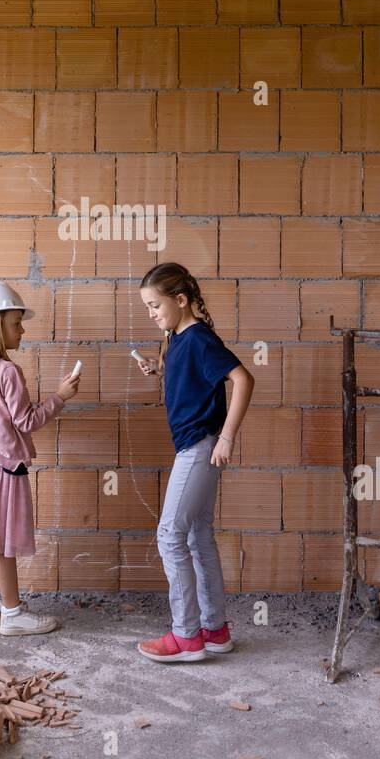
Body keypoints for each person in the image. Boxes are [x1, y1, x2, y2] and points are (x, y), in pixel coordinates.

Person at [134, 263, 254, 663]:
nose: (151, 313)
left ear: (180, 300)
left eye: (155, 305)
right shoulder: (177, 339)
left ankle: (186, 636)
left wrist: (227, 437)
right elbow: (191, 380)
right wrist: (159, 369)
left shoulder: (199, 337)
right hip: (195, 446)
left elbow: (243, 380)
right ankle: (215, 630)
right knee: (197, 536)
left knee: (170, 535)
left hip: (201, 448)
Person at [0, 280, 80, 636]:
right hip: (3, 470)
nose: (22, 330)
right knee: (3, 545)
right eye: (16, 323)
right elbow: (27, 420)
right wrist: (60, 396)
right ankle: (12, 614)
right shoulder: (8, 371)